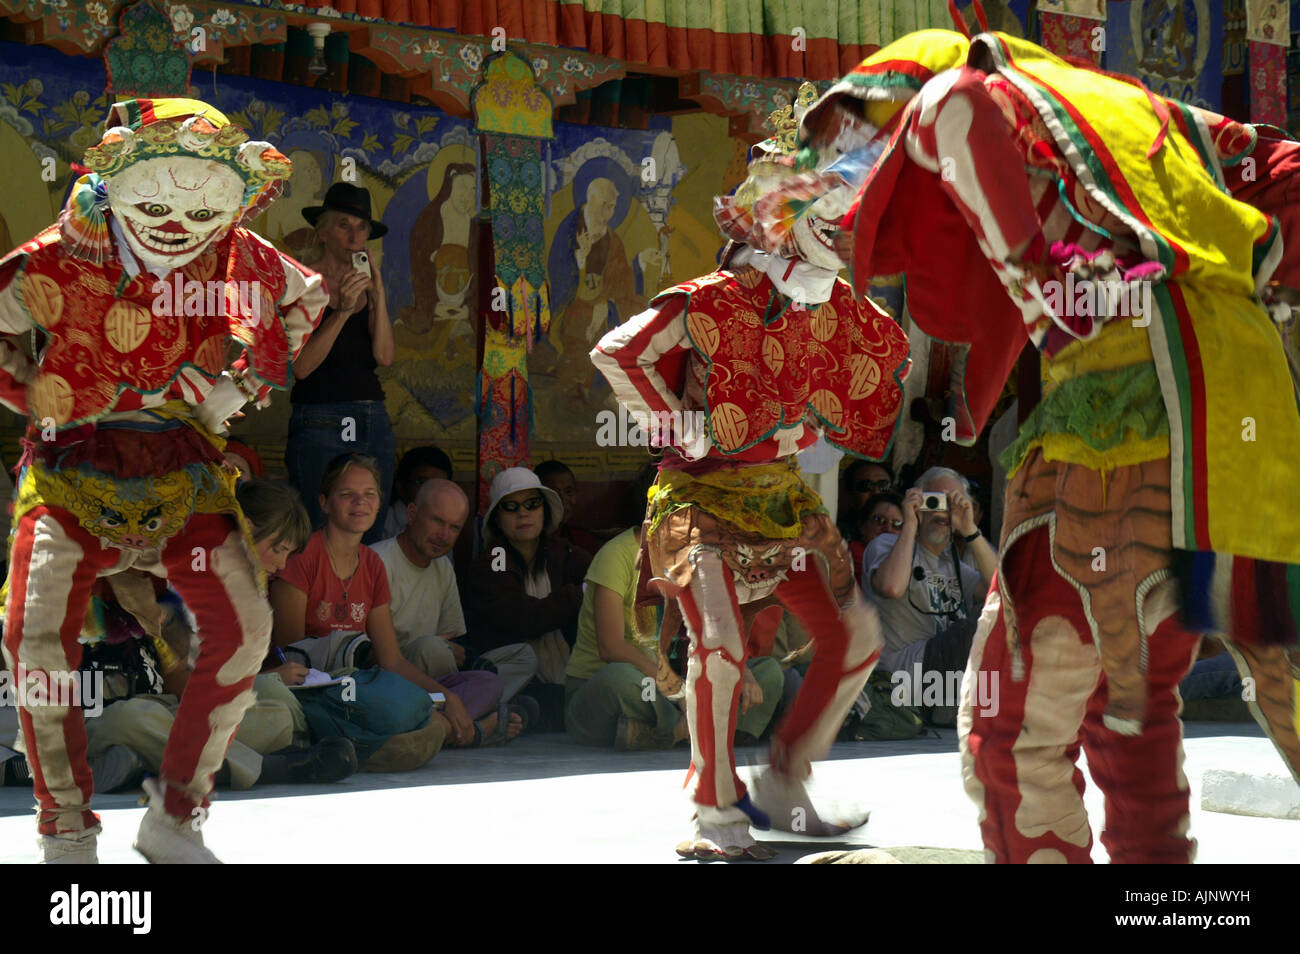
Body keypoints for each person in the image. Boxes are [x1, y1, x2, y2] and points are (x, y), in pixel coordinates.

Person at [793, 26, 1300, 862]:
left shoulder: (963, 88)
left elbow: (951, 111)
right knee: (1151, 704)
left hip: (1120, 407)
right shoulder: (1149, 117)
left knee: (1014, 727)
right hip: (1244, 412)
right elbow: (1283, 177)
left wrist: (1031, 270)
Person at [0, 97, 327, 864]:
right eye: (155, 201)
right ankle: (66, 829)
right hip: (72, 466)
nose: (179, 223)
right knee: (34, 634)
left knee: (247, 631)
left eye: (203, 204)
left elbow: (305, 302)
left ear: (235, 196)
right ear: (114, 181)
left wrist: (243, 384)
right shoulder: (58, 255)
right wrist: (36, 394)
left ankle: (176, 817)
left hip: (183, 469)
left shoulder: (241, 254)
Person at [591, 81, 912, 859]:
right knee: (724, 646)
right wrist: (684, 428)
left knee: (856, 635)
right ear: (783, 216)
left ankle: (785, 779)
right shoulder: (714, 298)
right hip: (700, 499)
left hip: (779, 499)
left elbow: (870, 374)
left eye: (850, 219)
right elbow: (617, 352)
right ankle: (713, 806)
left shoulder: (834, 310)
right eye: (830, 217)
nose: (845, 235)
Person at [79, 479, 356, 794]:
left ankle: (139, 764)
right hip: (118, 709)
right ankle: (258, 769)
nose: (281, 564)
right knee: (131, 720)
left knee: (278, 711)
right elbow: (180, 681)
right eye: (277, 550)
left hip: (176, 710)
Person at [271, 453, 520, 746]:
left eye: (369, 494)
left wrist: (446, 696)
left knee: (484, 683)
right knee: (393, 706)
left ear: (380, 502)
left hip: (366, 684)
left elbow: (392, 660)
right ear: (325, 502)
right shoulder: (301, 558)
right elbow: (292, 660)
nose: (360, 502)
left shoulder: (371, 564)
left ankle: (437, 724)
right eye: (347, 494)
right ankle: (468, 731)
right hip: (322, 690)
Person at [565, 522, 783, 750]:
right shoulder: (616, 555)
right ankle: (698, 729)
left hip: (676, 691)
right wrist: (680, 693)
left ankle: (670, 733)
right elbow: (611, 648)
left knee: (767, 673)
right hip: (622, 689)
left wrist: (745, 673)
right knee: (620, 678)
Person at [287, 182, 396, 544]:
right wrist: (344, 311)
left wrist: (377, 296)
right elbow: (301, 368)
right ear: (322, 231)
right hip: (320, 415)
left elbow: (384, 356)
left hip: (371, 414)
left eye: (361, 227)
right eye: (343, 224)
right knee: (319, 533)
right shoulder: (301, 281)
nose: (354, 235)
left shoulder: (367, 282)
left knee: (370, 534)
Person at [371, 478, 538, 705]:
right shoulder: (376, 562)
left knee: (523, 657)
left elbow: (453, 641)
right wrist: (438, 648)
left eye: (454, 528)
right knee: (431, 649)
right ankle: (471, 709)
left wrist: (455, 653)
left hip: (436, 670)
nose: (444, 535)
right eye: (437, 521)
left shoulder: (443, 566)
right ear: (412, 514)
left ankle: (456, 709)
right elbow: (367, 651)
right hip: (388, 672)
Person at [461, 467, 592, 729]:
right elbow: (525, 618)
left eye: (532, 504)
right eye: (510, 507)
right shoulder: (492, 562)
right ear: (497, 518)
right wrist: (580, 594)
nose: (523, 513)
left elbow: (602, 575)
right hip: (514, 674)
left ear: (545, 510)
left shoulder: (562, 553)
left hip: (566, 673)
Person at [864, 468, 995, 702]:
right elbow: (891, 587)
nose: (941, 512)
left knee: (1004, 616)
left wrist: (969, 529)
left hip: (941, 680)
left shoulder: (953, 565)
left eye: (951, 504)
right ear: (916, 502)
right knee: (979, 628)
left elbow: (1004, 592)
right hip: (900, 677)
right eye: (934, 500)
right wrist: (910, 524)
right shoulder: (887, 545)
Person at [382, 444, 452, 539]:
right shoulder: (383, 523)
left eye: (440, 485)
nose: (432, 491)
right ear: (401, 487)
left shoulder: (445, 525)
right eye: (422, 482)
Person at [534, 458, 601, 555]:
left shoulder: (582, 540)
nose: (563, 500)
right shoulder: (527, 541)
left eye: (569, 492)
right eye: (555, 493)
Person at [849, 491, 904, 584]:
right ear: (862, 525)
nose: (888, 529)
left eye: (897, 524)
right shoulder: (851, 554)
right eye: (878, 520)